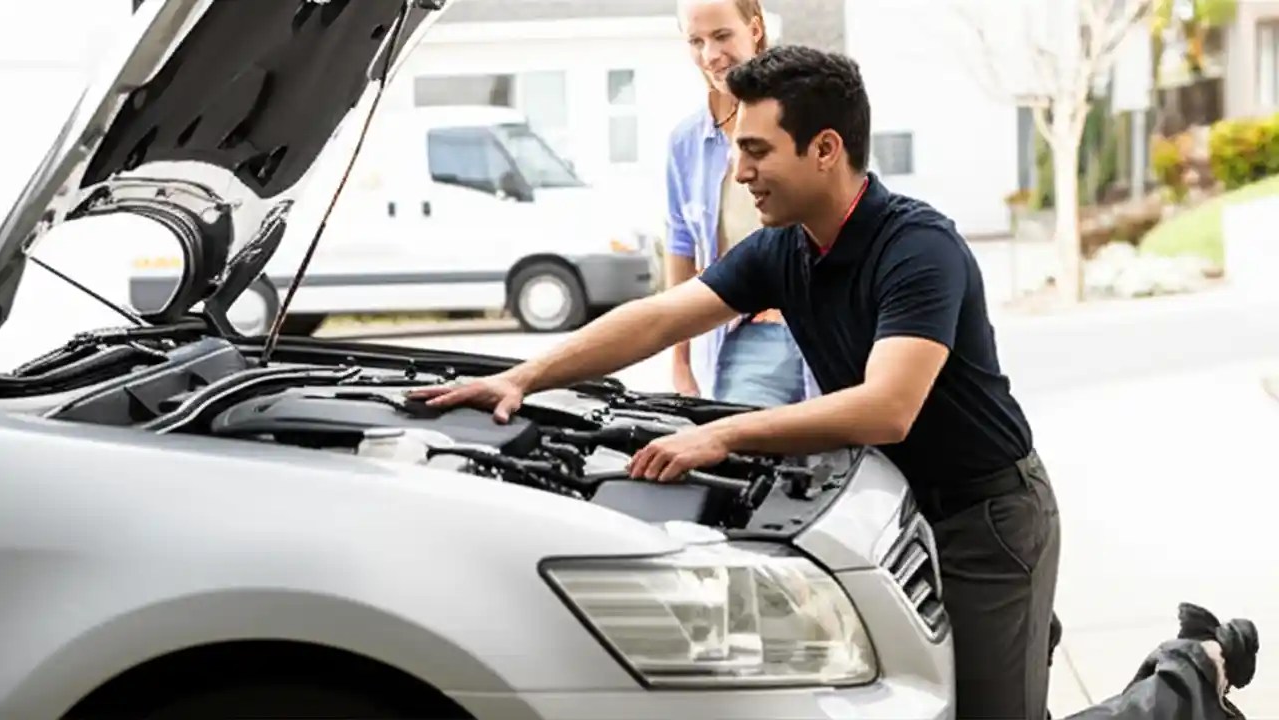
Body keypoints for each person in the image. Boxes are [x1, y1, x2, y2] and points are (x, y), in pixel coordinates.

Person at [408, 45, 1060, 720]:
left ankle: (1176, 684)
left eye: (756, 149)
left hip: (988, 517)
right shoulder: (786, 247)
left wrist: (722, 433)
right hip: (901, 509)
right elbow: (660, 317)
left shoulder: (919, 249)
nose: (739, 171)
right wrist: (522, 378)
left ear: (826, 149)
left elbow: (887, 407)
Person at [664, 0, 817, 407]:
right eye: (695, 41)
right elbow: (682, 248)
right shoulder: (686, 143)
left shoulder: (811, 116)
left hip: (813, 328)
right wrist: (680, 358)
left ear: (755, 29)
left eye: (721, 36)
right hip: (737, 337)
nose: (710, 55)